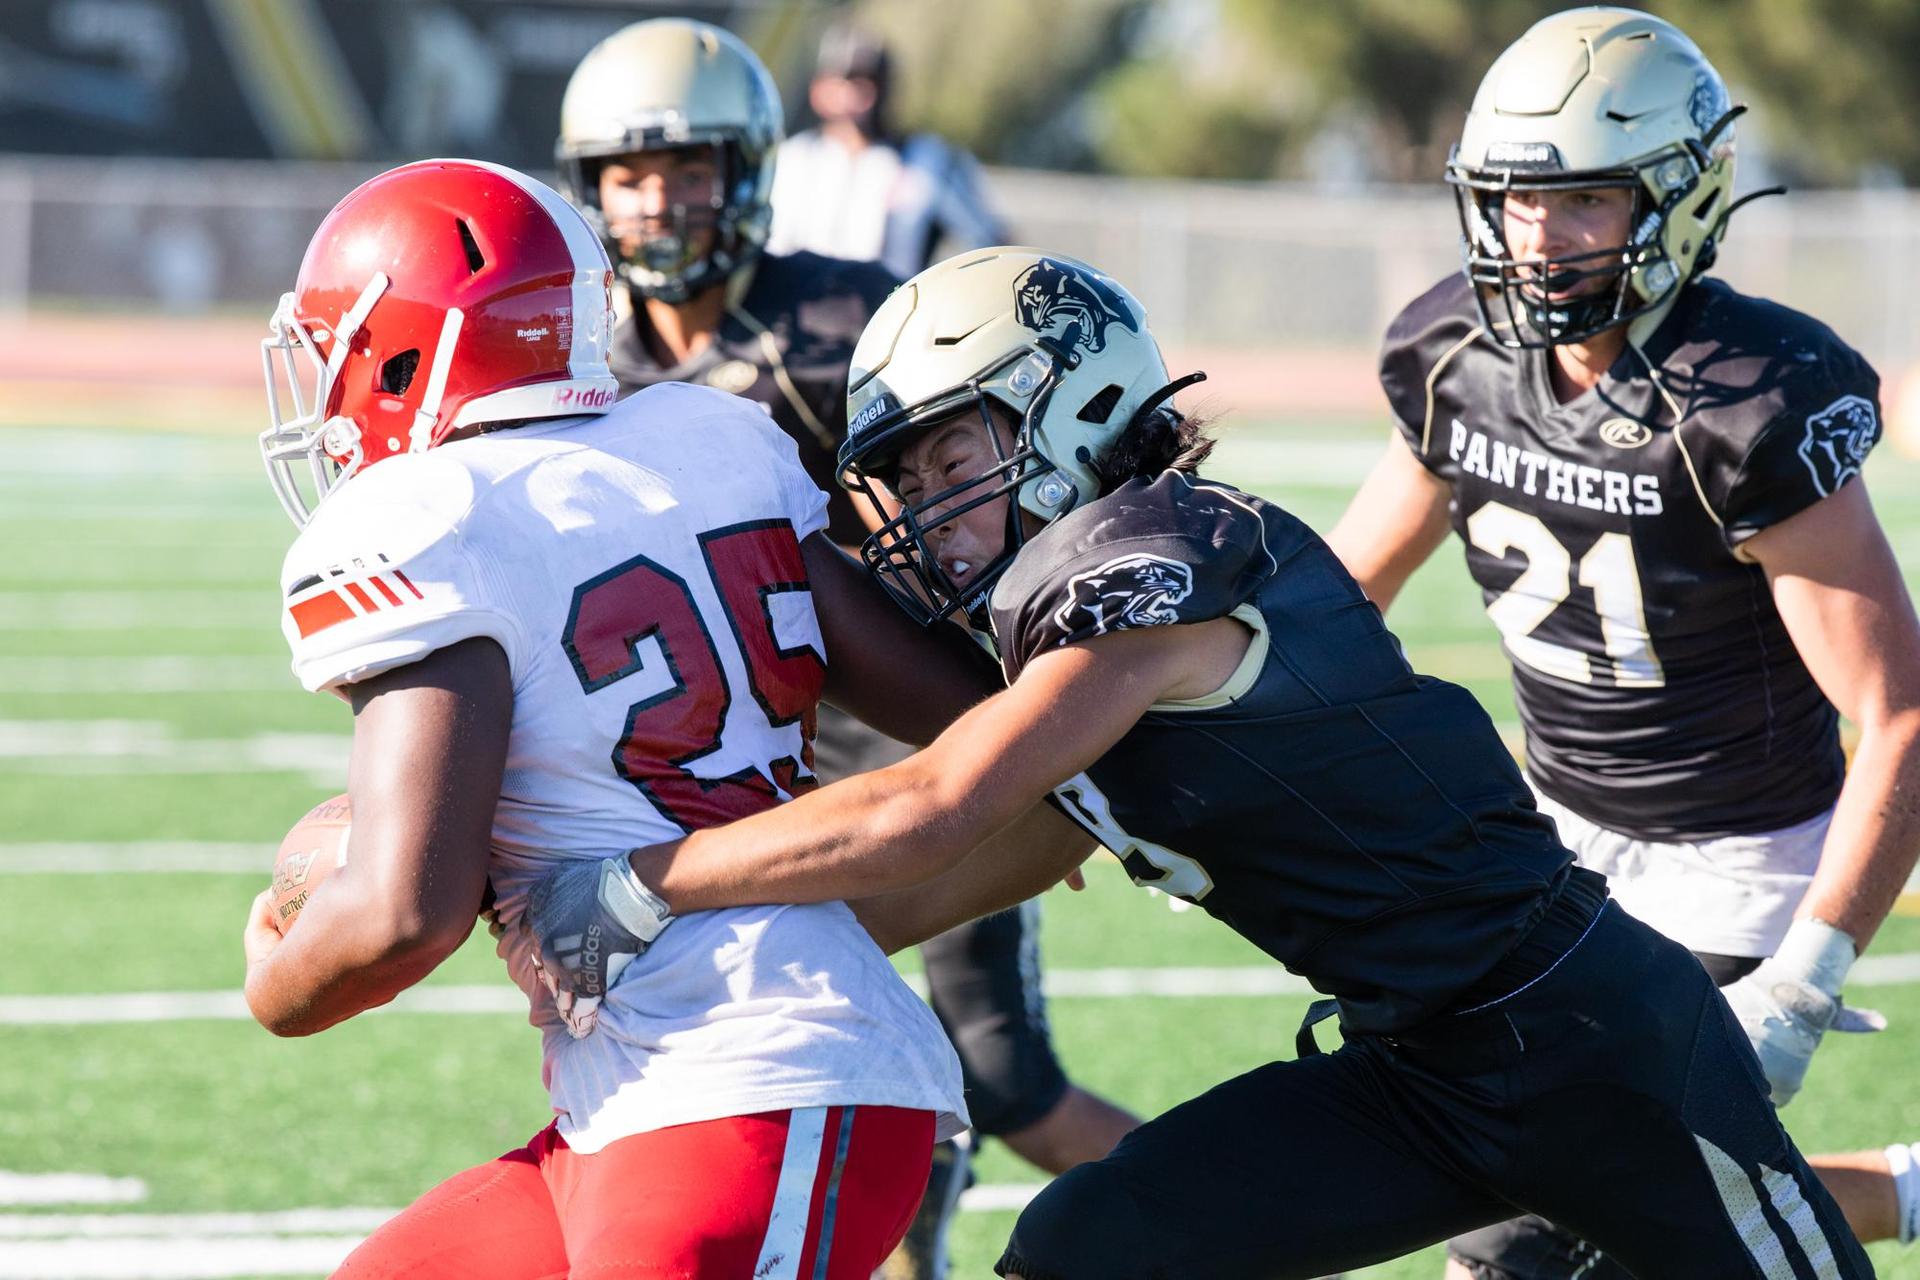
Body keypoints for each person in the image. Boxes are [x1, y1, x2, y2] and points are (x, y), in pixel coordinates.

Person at [520, 245, 1873, 1278]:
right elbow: (1015, 848)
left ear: (1070, 408)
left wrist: (652, 880)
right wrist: (710, 961)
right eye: (908, 472)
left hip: (1596, 1043)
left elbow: (938, 803)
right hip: (1420, 1069)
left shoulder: (1162, 562)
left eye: (948, 454)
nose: (925, 505)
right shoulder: (1091, 610)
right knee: (1086, 1250)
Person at [243, 157, 1002, 1277]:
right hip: (631, 1100)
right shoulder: (708, 439)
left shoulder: (424, 520)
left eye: (342, 350)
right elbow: (959, 705)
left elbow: (405, 911)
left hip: (756, 1079)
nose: (328, 388)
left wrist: (275, 961)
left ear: (410, 350)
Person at [1321, 8, 1920, 1274]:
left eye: (1583, 200)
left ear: (1682, 194)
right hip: (1551, 839)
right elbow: (1335, 595)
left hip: (1737, 855)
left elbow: (1901, 712)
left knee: (1520, 1244)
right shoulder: (1453, 356)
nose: (1540, 238)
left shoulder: (1749, 397)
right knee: (1565, 1192)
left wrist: (1804, 980)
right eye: (1513, 201)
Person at [552, 20, 1140, 1276]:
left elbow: (990, 514)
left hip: (914, 728)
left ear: (748, 171)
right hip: (744, 762)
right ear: (587, 188)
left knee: (1008, 1077)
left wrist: (1030, 734)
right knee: (735, 1047)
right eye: (631, 175)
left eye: (691, 170)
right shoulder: (580, 356)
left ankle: (1240, 1228)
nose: (661, 202)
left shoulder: (839, 316)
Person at [765, 21, 1005, 282]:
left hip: (895, 312)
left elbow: (993, 247)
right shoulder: (791, 159)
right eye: (846, 79)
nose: (858, 95)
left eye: (871, 81)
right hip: (797, 312)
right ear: (819, 89)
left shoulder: (928, 160)